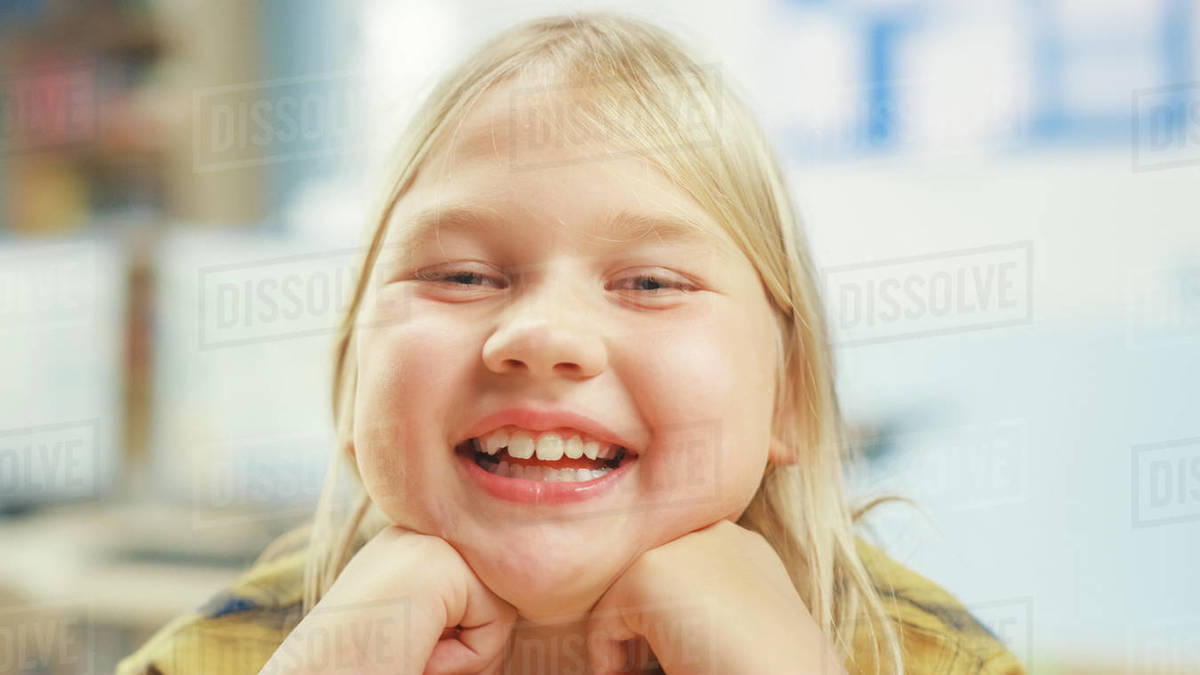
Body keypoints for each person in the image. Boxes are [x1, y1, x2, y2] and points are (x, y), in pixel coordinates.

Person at [119, 12, 1026, 674]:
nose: (543, 338)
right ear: (358, 374)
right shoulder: (228, 655)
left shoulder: (927, 657)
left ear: (786, 395)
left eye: (651, 283)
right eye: (464, 276)